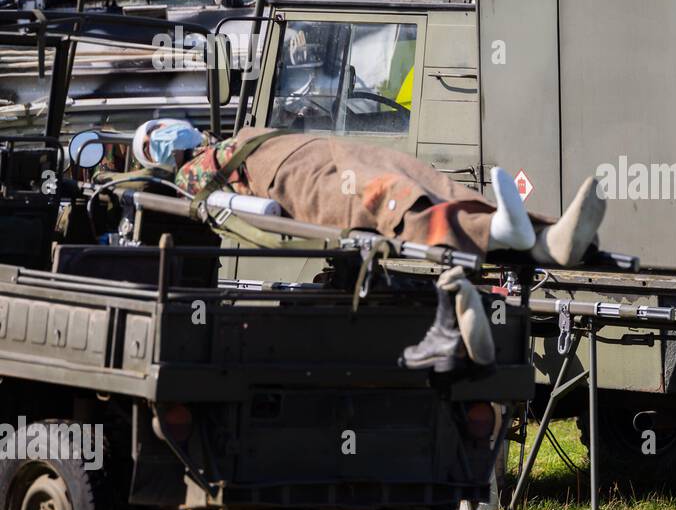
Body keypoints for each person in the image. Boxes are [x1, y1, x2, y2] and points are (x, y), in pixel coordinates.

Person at [131, 119, 605, 369]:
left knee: (420, 177)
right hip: (287, 178)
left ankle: (542, 239)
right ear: (159, 155)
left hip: (310, 149)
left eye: (160, 126)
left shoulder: (225, 139)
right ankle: (500, 234)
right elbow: (237, 211)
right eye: (155, 137)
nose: (166, 132)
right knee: (385, 200)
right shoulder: (190, 175)